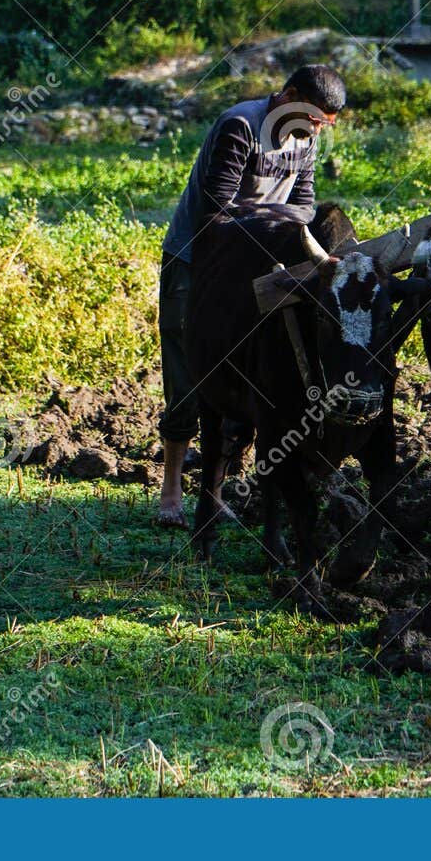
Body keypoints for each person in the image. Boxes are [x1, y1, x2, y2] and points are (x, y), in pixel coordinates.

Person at [155, 63, 347, 527]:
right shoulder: (241, 126)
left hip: (259, 263)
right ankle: (172, 491)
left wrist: (276, 225)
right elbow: (217, 206)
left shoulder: (305, 138)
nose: (315, 129)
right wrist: (272, 221)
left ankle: (222, 490)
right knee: (189, 376)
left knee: (253, 370)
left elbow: (305, 202)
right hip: (199, 263)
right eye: (313, 118)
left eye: (323, 124)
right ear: (289, 95)